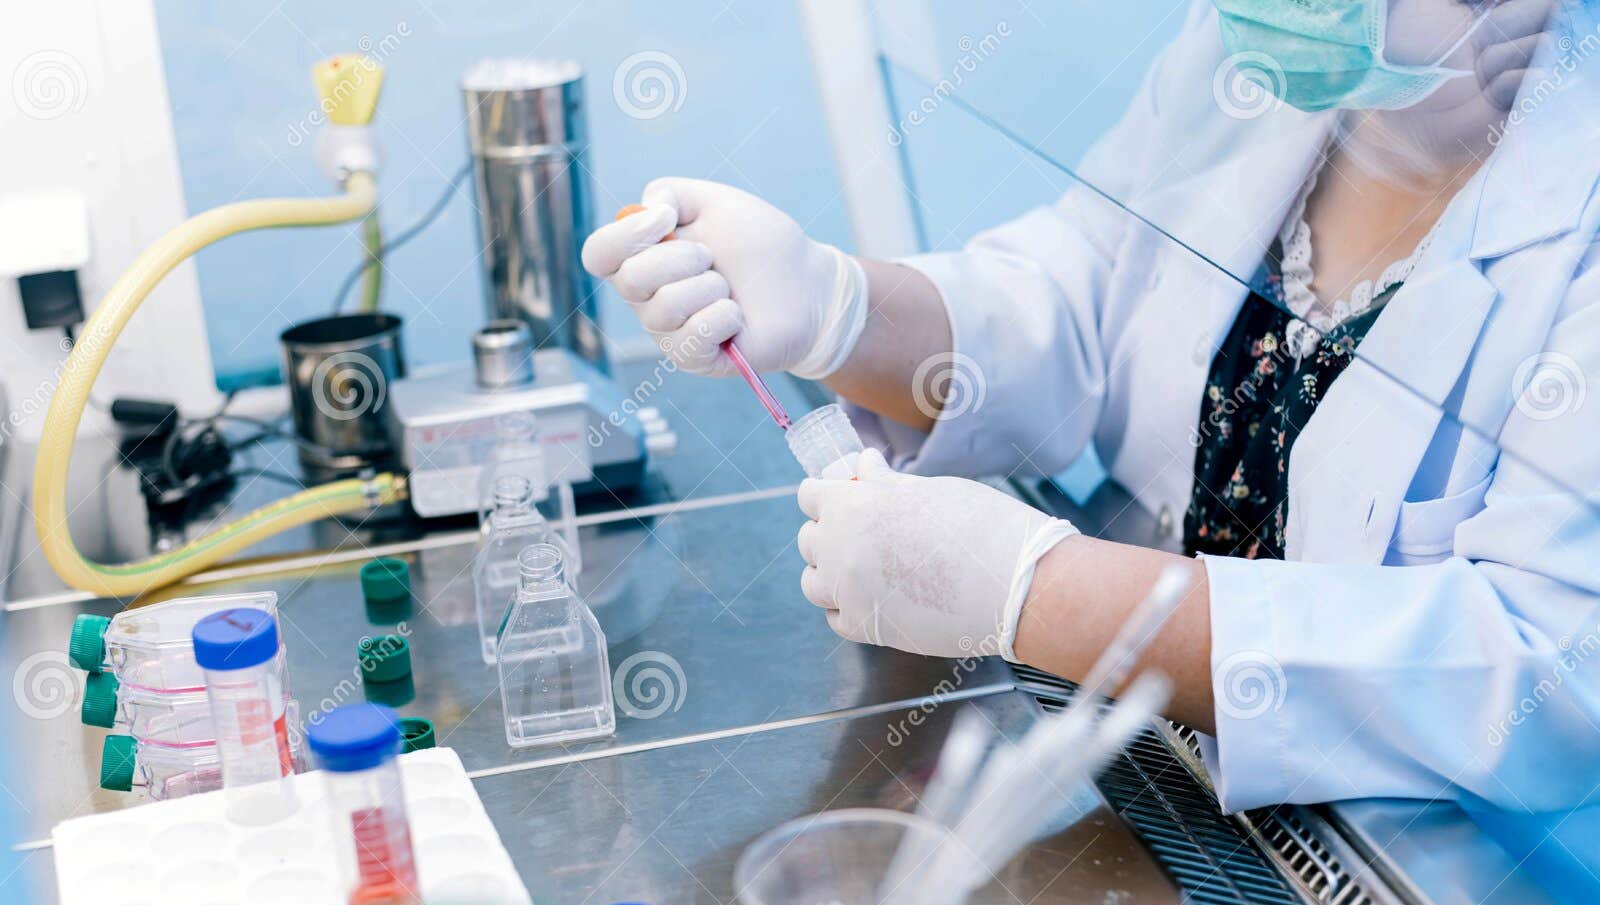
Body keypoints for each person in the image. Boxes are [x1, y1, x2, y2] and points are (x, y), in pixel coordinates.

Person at [583, 0, 1600, 813]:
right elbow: (1083, 292)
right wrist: (834, 307)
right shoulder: (1275, 53)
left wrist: (1037, 591)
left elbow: (1545, 671)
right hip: (1166, 787)